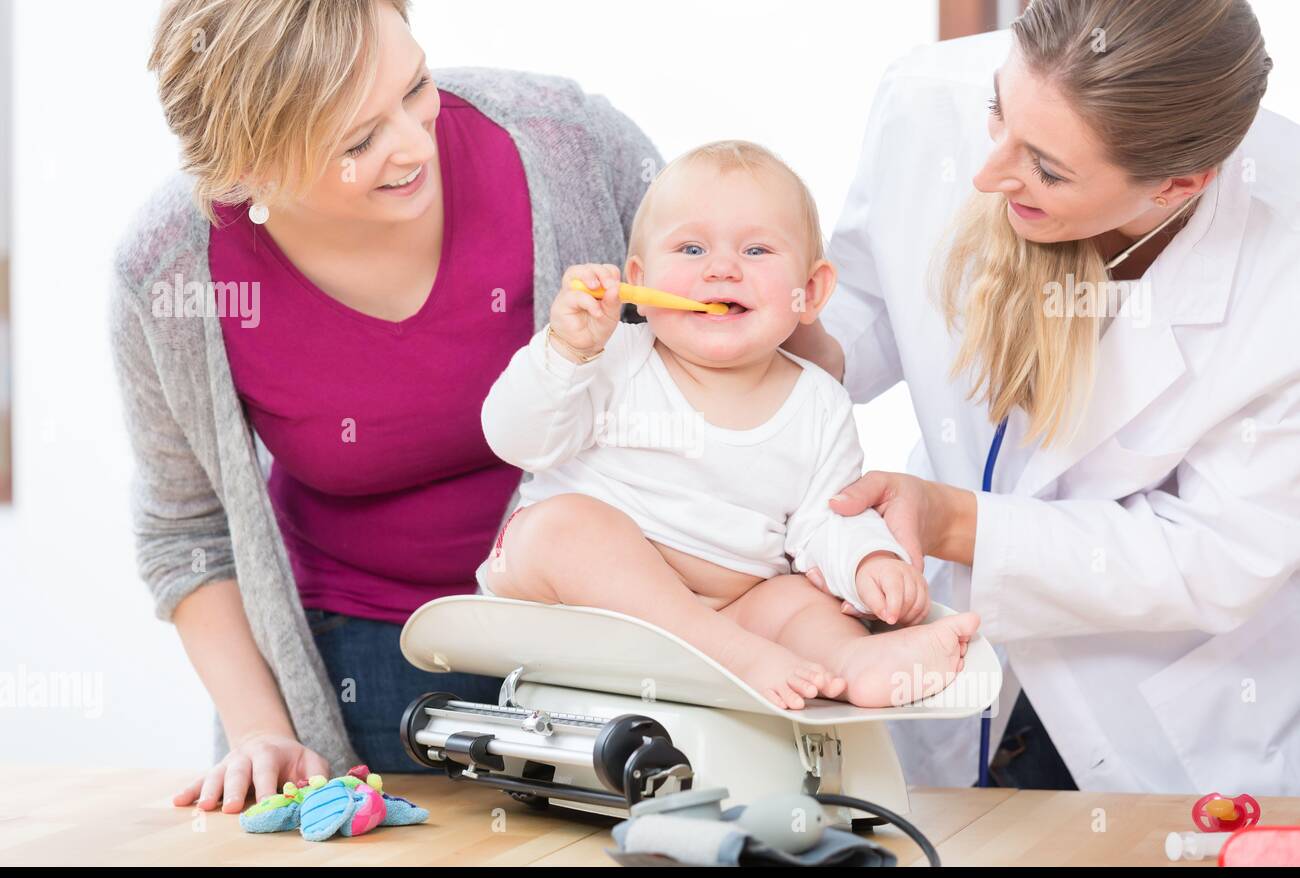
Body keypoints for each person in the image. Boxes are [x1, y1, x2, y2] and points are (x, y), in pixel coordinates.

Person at [110, 0, 661, 813]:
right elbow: (185, 534)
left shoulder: (566, 144)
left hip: (609, 636)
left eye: (416, 86)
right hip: (363, 667)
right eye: (356, 141)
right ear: (249, 169)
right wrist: (263, 730)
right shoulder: (172, 274)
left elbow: (721, 359)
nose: (413, 144)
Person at [783, 0, 1299, 794]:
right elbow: (874, 305)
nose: (987, 175)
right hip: (947, 663)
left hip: (1153, 704)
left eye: (1048, 170)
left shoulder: (1284, 251)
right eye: (996, 110)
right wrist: (771, 326)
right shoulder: (928, 97)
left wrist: (953, 520)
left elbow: (1218, 555)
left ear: (1179, 185)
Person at [477, 141, 980, 710]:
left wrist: (870, 560)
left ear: (810, 292)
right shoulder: (611, 355)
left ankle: (856, 664)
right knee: (560, 528)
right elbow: (514, 439)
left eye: (757, 249)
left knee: (799, 599)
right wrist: (565, 352)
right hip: (574, 596)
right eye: (691, 248)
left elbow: (825, 520)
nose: (721, 268)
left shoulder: (819, 402)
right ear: (639, 279)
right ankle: (725, 655)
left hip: (730, 610)